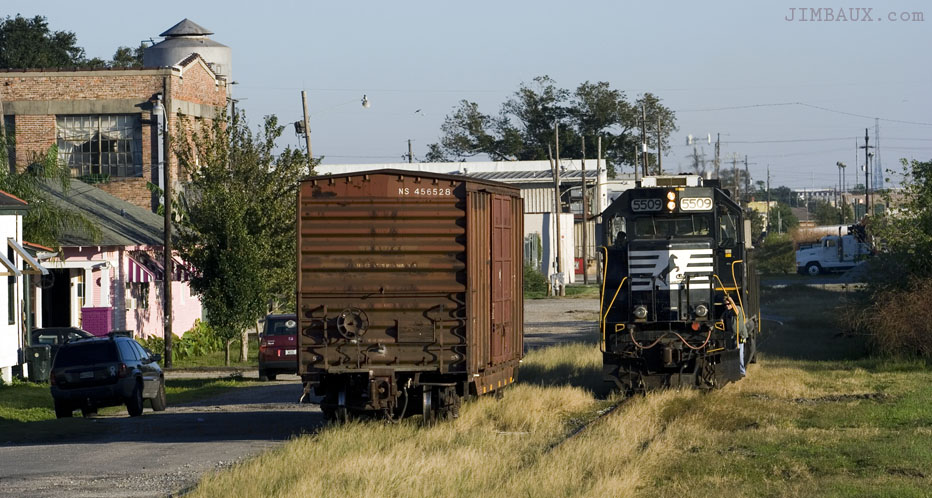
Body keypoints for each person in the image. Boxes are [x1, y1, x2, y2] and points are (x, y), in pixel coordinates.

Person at [723, 295, 748, 377]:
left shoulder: (737, 308)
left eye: (728, 304)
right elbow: (722, 318)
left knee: (739, 354)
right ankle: (734, 370)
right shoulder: (727, 312)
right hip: (732, 335)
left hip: (740, 335)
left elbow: (736, 312)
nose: (727, 306)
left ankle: (742, 371)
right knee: (732, 353)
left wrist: (731, 300)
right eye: (726, 304)